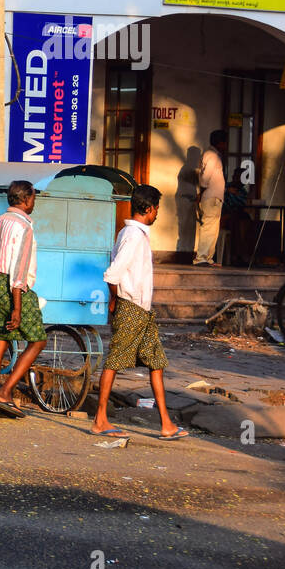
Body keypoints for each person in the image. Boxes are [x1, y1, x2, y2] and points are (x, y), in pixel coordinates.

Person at [90, 184, 189, 441]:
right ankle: (100, 419)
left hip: (142, 311)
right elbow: (113, 273)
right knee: (114, 362)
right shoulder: (133, 236)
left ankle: (166, 423)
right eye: (156, 208)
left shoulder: (134, 233)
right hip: (131, 307)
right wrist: (114, 299)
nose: (157, 213)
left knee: (156, 363)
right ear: (147, 208)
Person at [0, 180, 47, 419]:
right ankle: (4, 392)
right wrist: (17, 307)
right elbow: (18, 270)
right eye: (33, 199)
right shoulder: (24, 227)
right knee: (38, 340)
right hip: (14, 288)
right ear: (27, 199)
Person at [194, 129, 227, 265]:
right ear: (220, 143)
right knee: (209, 227)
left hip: (213, 196)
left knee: (213, 228)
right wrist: (202, 188)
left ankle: (207, 258)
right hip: (211, 196)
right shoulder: (212, 155)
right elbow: (205, 178)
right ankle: (201, 257)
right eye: (224, 142)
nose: (225, 145)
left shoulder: (212, 154)